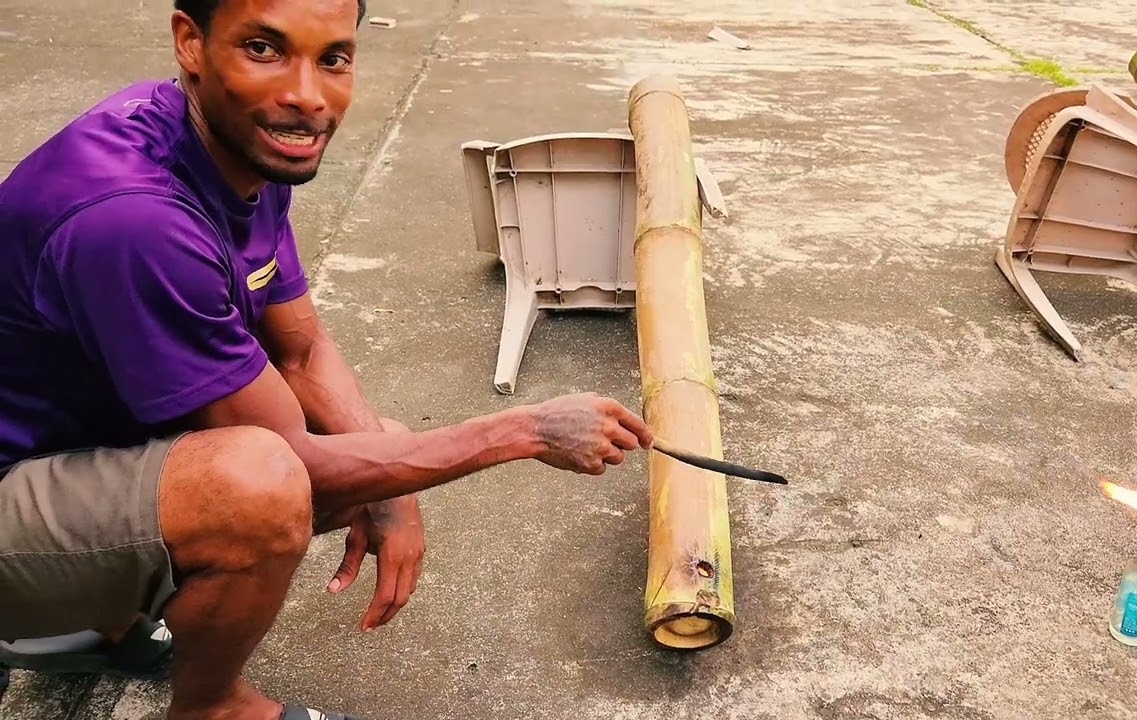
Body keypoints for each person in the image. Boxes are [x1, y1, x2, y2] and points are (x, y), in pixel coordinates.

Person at [0, 0, 654, 718]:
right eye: (263, 48)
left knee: (374, 446)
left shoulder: (234, 141)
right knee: (260, 486)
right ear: (191, 42)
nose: (307, 97)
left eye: (333, 58)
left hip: (55, 449)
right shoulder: (132, 218)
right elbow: (287, 461)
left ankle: (105, 620)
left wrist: (393, 488)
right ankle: (213, 708)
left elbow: (302, 350)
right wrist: (520, 432)